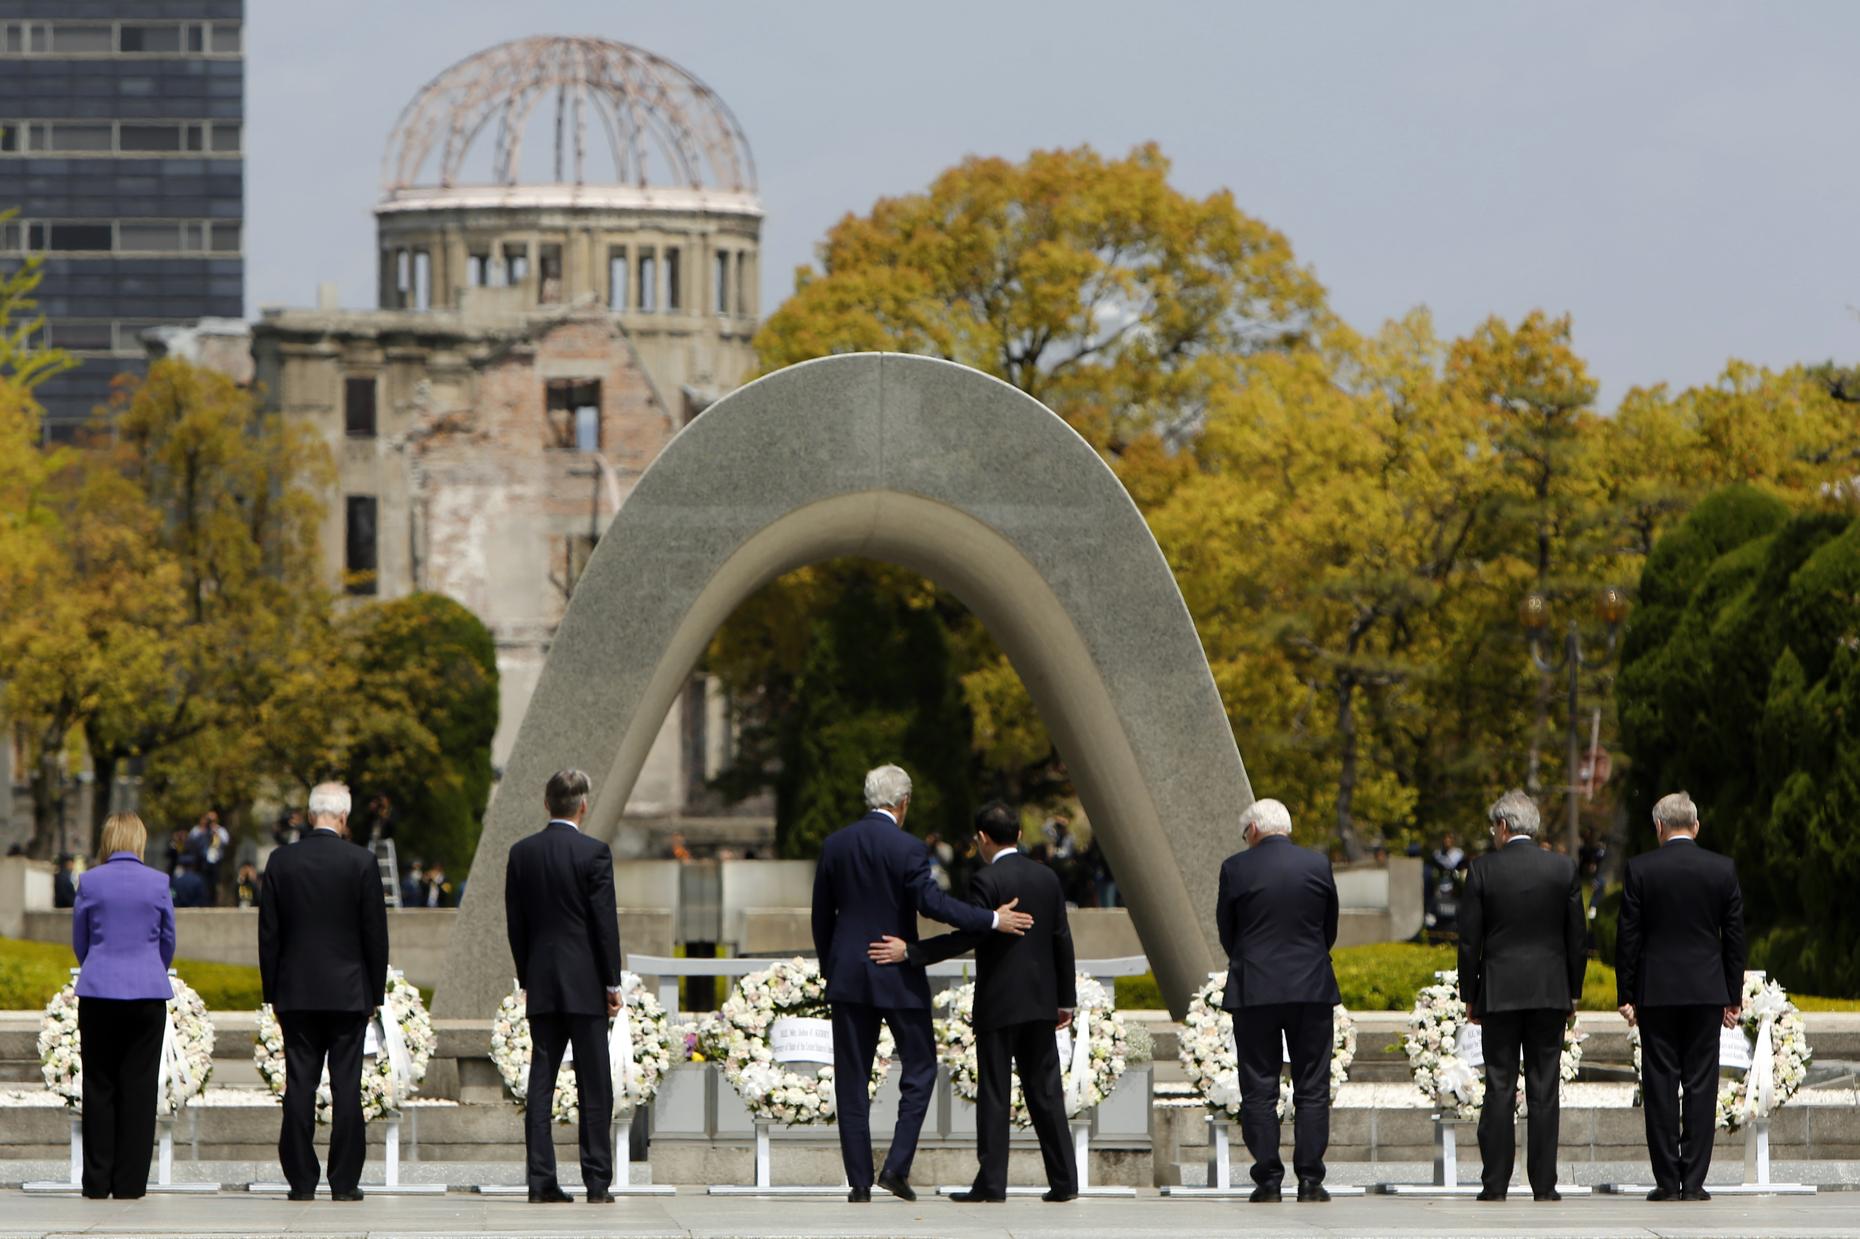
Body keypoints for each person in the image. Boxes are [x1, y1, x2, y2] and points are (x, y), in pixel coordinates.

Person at [811, 763, 1033, 1203]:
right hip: (896, 974)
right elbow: (932, 905)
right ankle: (895, 1165)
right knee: (920, 1066)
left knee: (851, 1079)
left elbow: (822, 915)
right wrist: (991, 919)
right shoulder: (909, 848)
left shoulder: (835, 845)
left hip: (848, 977)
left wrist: (830, 967)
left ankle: (858, 1182)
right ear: (904, 802)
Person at [868, 801, 1078, 1203]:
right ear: (1018, 834)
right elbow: (1061, 939)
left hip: (999, 1002)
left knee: (996, 1093)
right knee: (1046, 1091)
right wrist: (1064, 999)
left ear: (982, 838)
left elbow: (969, 935)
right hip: (1039, 1002)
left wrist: (911, 952)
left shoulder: (986, 879)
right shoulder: (1046, 877)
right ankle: (1065, 1181)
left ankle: (992, 1183)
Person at [258, 782, 389, 1202]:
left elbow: (269, 935)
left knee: (300, 1085)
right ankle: (345, 1180)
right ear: (344, 818)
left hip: (296, 992)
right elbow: (375, 934)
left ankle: (300, 1179)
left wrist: (272, 992)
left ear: (311, 814)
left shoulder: (281, 861)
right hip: (349, 992)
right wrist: (375, 992)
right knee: (347, 1086)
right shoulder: (362, 861)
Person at [1457, 790, 1587, 1202]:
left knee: (1498, 1085)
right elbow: (1576, 939)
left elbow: (1468, 941)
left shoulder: (1481, 870)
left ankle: (1494, 1183)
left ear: (1502, 826)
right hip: (1549, 991)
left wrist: (1470, 993)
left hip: (1499, 990)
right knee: (1544, 1088)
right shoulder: (1563, 869)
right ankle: (1544, 1185)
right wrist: (1574, 990)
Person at [1616, 791, 1745, 1202]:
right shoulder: (1721, 869)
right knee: (1701, 1083)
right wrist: (1733, 994)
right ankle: (1695, 1181)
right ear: (1696, 825)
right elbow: (1734, 938)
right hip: (1707, 990)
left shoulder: (1641, 868)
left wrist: (1627, 992)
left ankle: (1667, 1181)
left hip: (1657, 991)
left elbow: (1628, 936)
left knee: (1660, 1083)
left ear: (1658, 827)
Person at [505, 769, 624, 1204]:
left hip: (543, 982)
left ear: (546, 804)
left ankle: (540, 1180)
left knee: (541, 1082)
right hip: (585, 985)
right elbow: (603, 925)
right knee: (595, 1085)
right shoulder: (594, 853)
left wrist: (527, 978)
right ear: (583, 805)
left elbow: (515, 925)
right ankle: (597, 1182)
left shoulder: (522, 854)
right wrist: (612, 981)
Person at [1217, 797, 1340, 1204]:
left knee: (1258, 1087)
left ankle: (1267, 1179)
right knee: (1312, 1086)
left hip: (1255, 989)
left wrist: (1252, 960)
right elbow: (1329, 928)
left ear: (1253, 829)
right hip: (1310, 986)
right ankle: (1310, 1179)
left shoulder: (1235, 868)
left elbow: (1227, 933)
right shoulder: (1318, 865)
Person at [71, 812, 175, 1199]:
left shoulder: (90, 881)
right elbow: (167, 941)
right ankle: (131, 1182)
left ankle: (97, 1180)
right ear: (139, 840)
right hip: (147, 992)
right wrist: (149, 968)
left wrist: (99, 965)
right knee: (139, 1086)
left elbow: (80, 940)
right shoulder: (159, 882)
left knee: (99, 1084)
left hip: (99, 989)